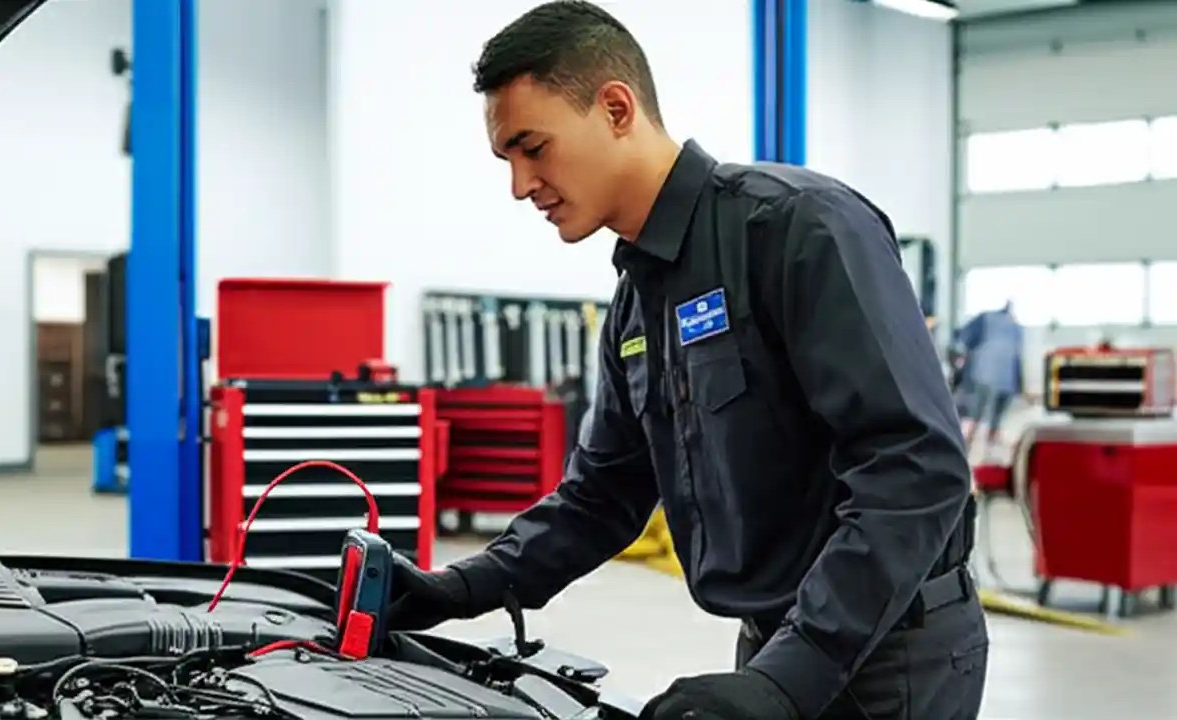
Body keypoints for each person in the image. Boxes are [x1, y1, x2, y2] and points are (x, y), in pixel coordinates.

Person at [387, 3, 988, 718]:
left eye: (533, 147)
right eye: (507, 159)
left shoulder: (798, 230)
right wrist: (463, 587)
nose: (521, 185)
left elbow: (916, 466)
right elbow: (602, 496)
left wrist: (791, 677)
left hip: (891, 651)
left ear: (615, 108)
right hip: (782, 644)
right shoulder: (639, 303)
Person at [954, 301, 1025, 447]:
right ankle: (989, 445)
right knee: (993, 418)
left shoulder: (985, 319)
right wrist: (1019, 384)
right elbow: (1018, 358)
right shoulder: (1016, 328)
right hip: (1005, 380)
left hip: (983, 375)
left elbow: (963, 340)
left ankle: (965, 446)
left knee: (974, 414)